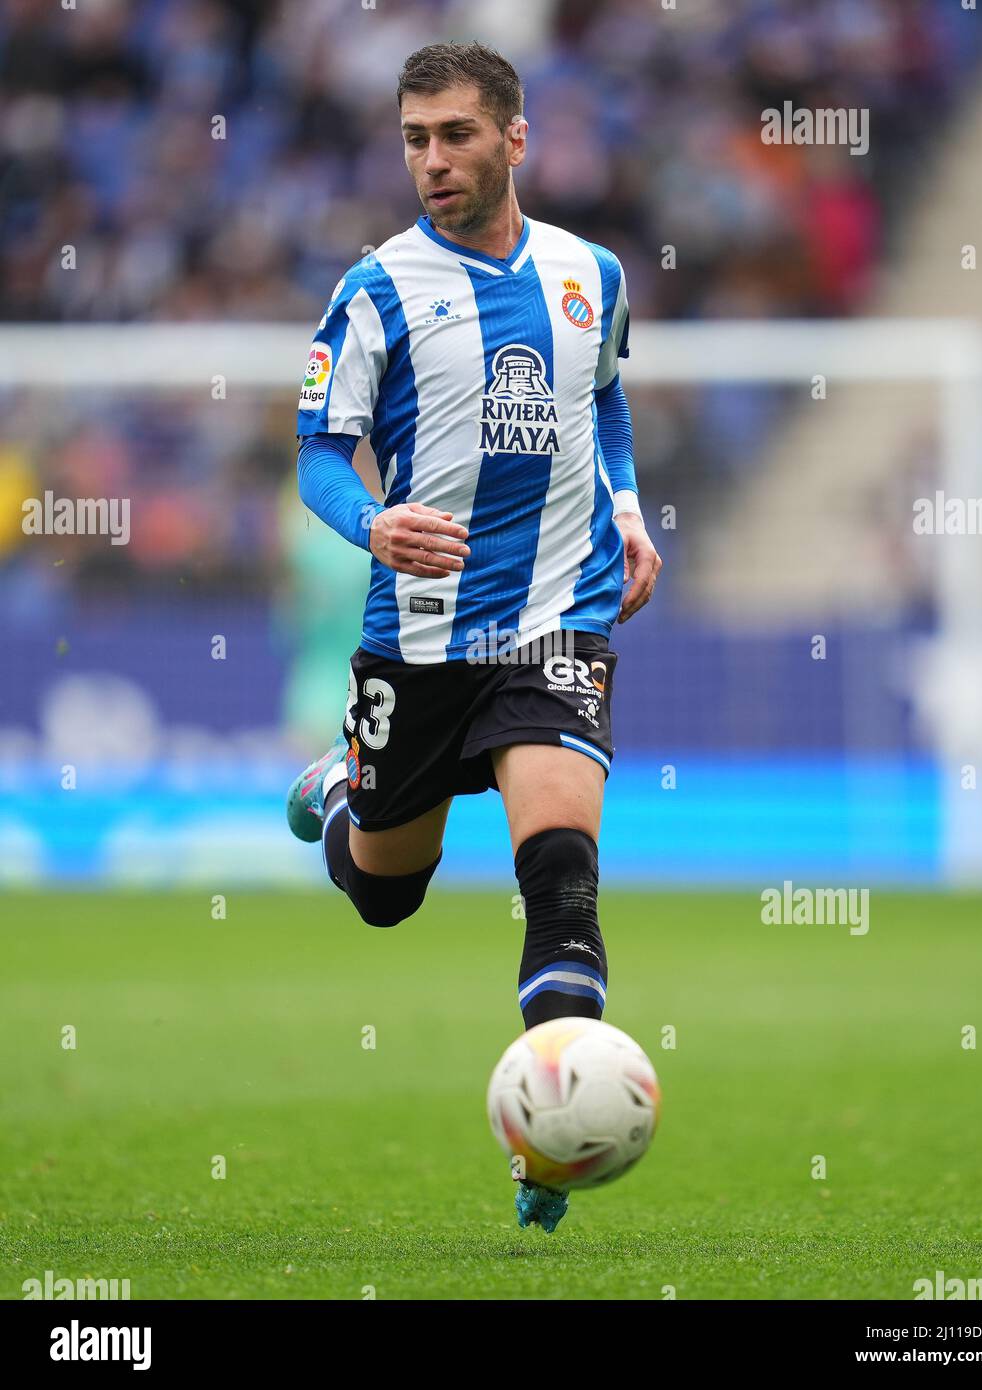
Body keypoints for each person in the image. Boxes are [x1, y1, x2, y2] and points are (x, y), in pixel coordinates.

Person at [286, 41, 661, 1233]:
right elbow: (315, 459)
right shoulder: (375, 289)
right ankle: (343, 795)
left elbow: (601, 399)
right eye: (413, 139)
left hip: (558, 613)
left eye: (454, 135)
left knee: (559, 873)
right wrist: (373, 522)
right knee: (385, 893)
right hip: (420, 635)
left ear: (514, 137)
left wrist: (624, 508)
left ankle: (547, 1150)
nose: (432, 160)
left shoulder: (590, 274)